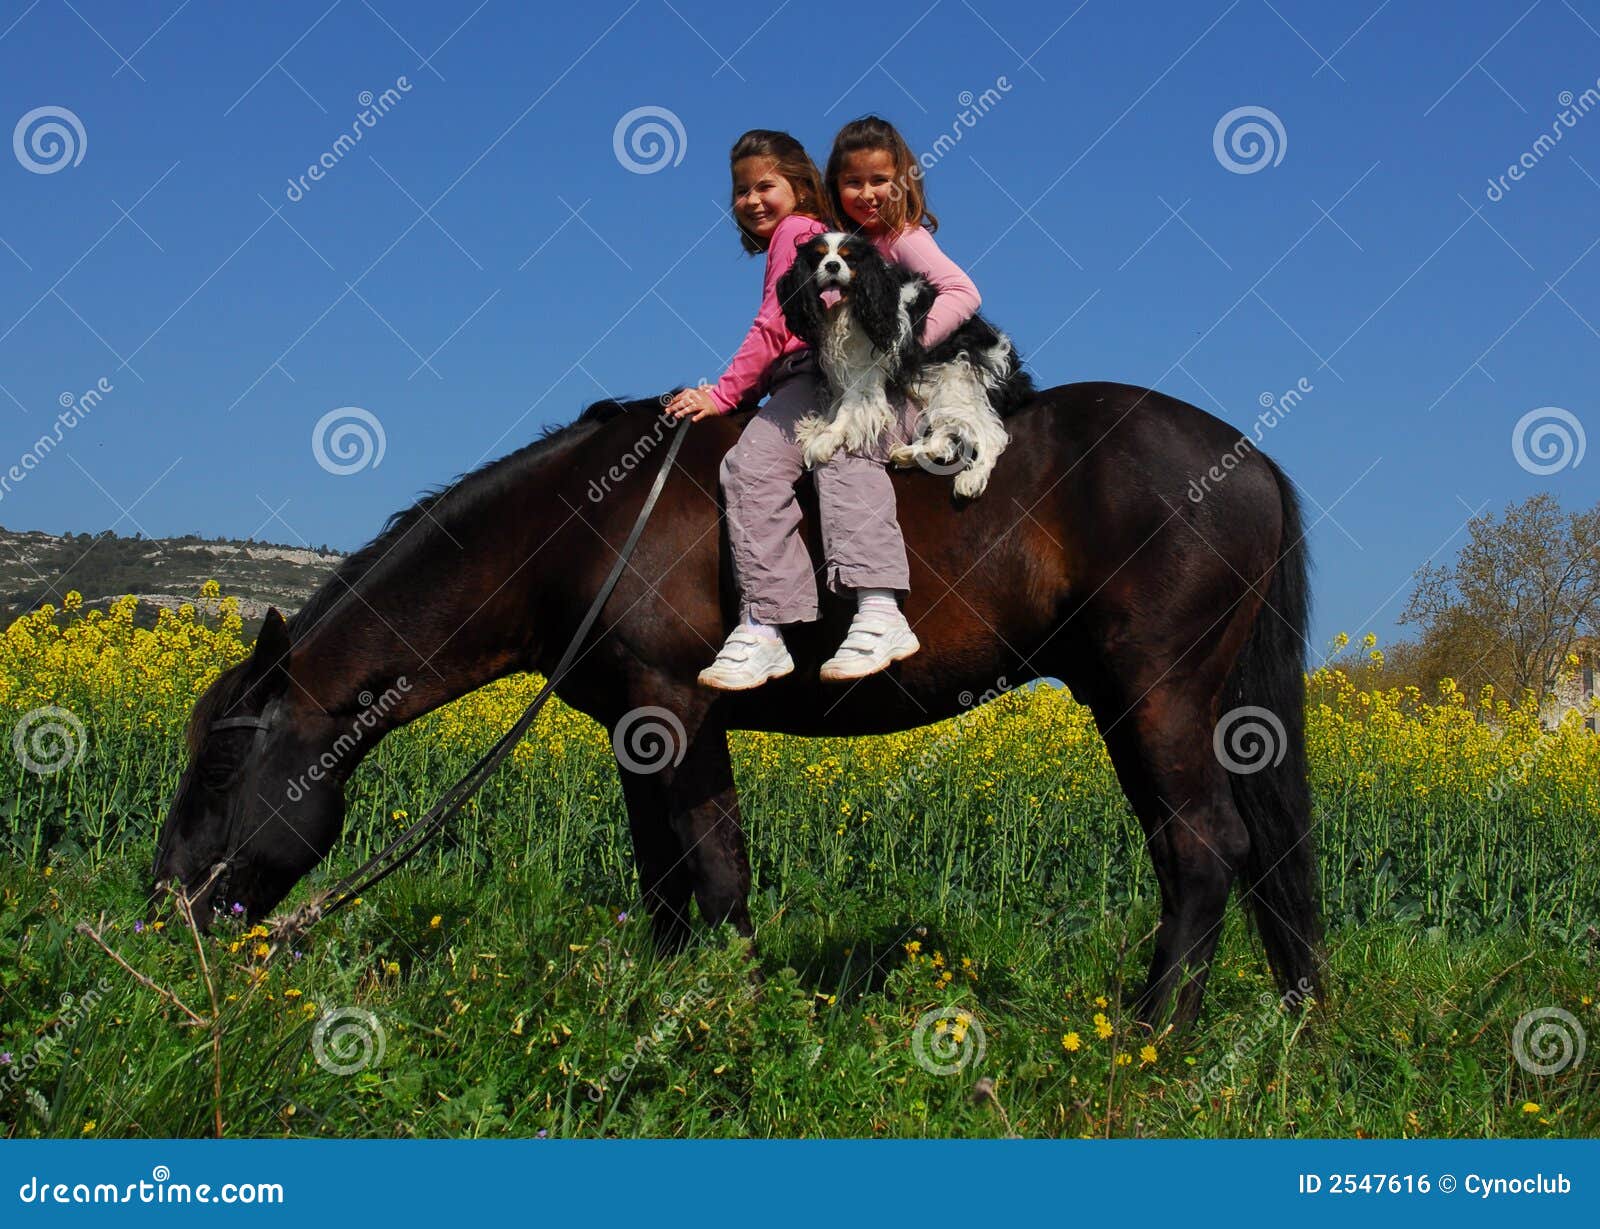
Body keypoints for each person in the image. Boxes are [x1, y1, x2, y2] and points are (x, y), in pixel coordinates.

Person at [664, 129, 922, 689]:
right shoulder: (805, 232)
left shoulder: (799, 234)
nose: (751, 200)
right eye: (739, 190)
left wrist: (724, 395)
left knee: (750, 468)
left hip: (816, 372)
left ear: (800, 186)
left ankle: (767, 627)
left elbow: (775, 326)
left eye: (765, 185)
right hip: (814, 371)